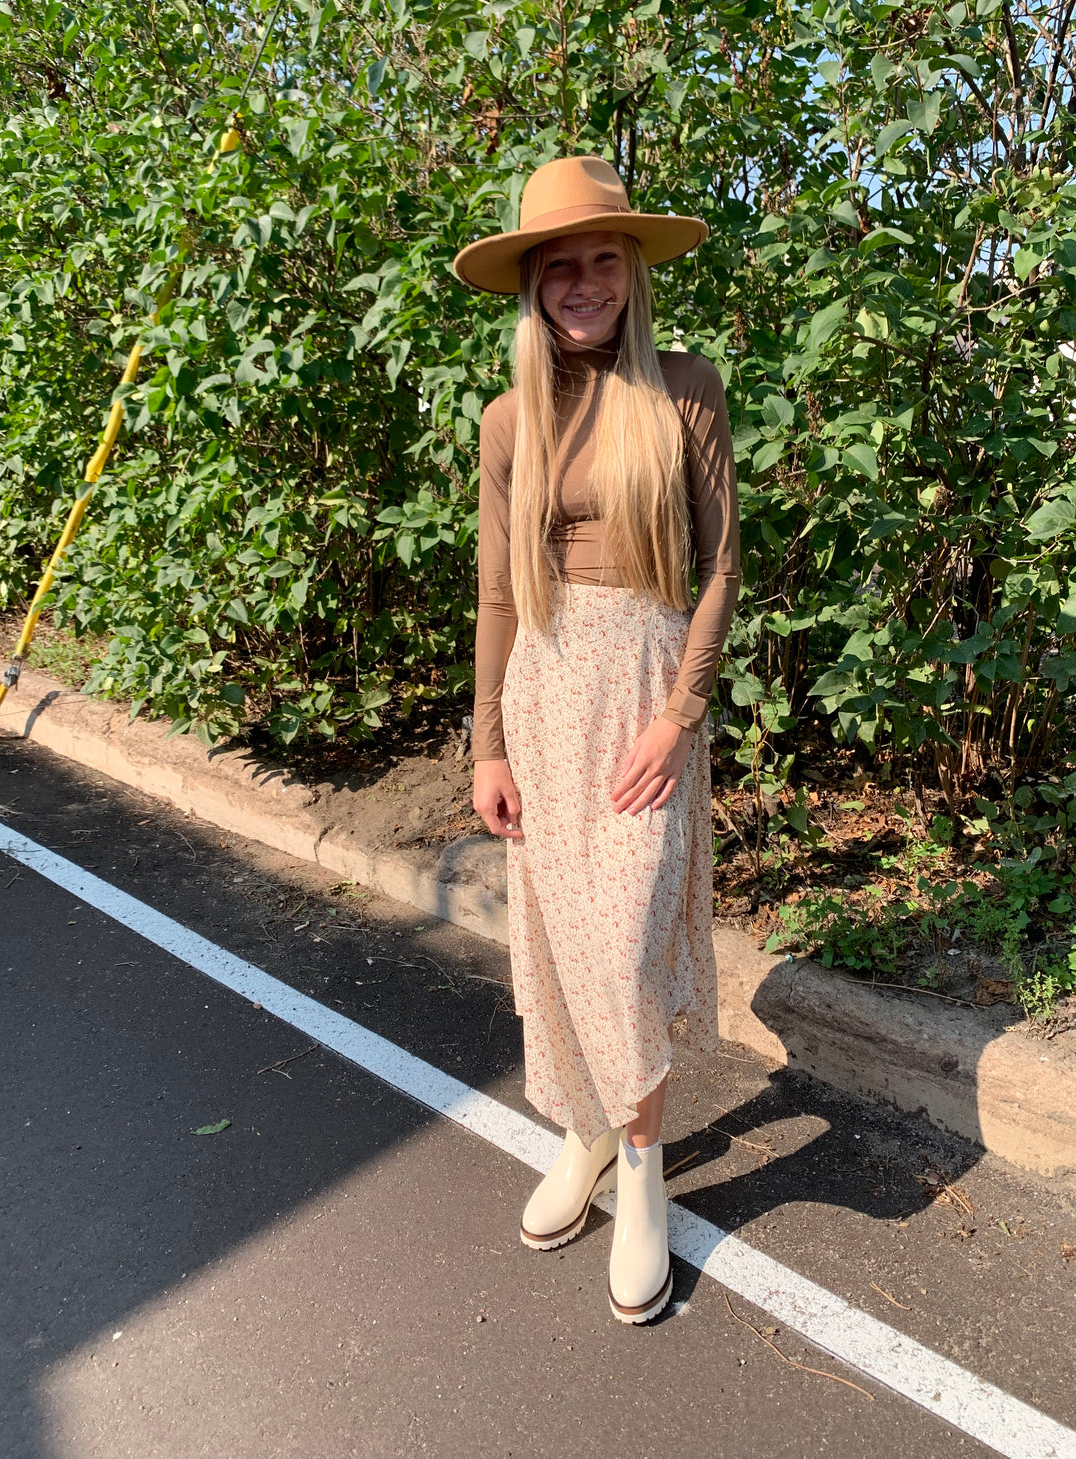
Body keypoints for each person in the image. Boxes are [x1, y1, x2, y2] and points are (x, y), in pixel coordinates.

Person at [453, 156, 740, 1324]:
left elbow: (719, 568)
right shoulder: (507, 419)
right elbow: (495, 594)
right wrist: (485, 745)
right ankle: (582, 1129)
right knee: (557, 945)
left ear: (631, 269)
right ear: (533, 283)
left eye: (603, 258)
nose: (583, 282)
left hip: (641, 699)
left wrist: (679, 715)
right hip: (543, 695)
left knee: (621, 950)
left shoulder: (684, 388)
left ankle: (640, 1169)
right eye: (559, 264)